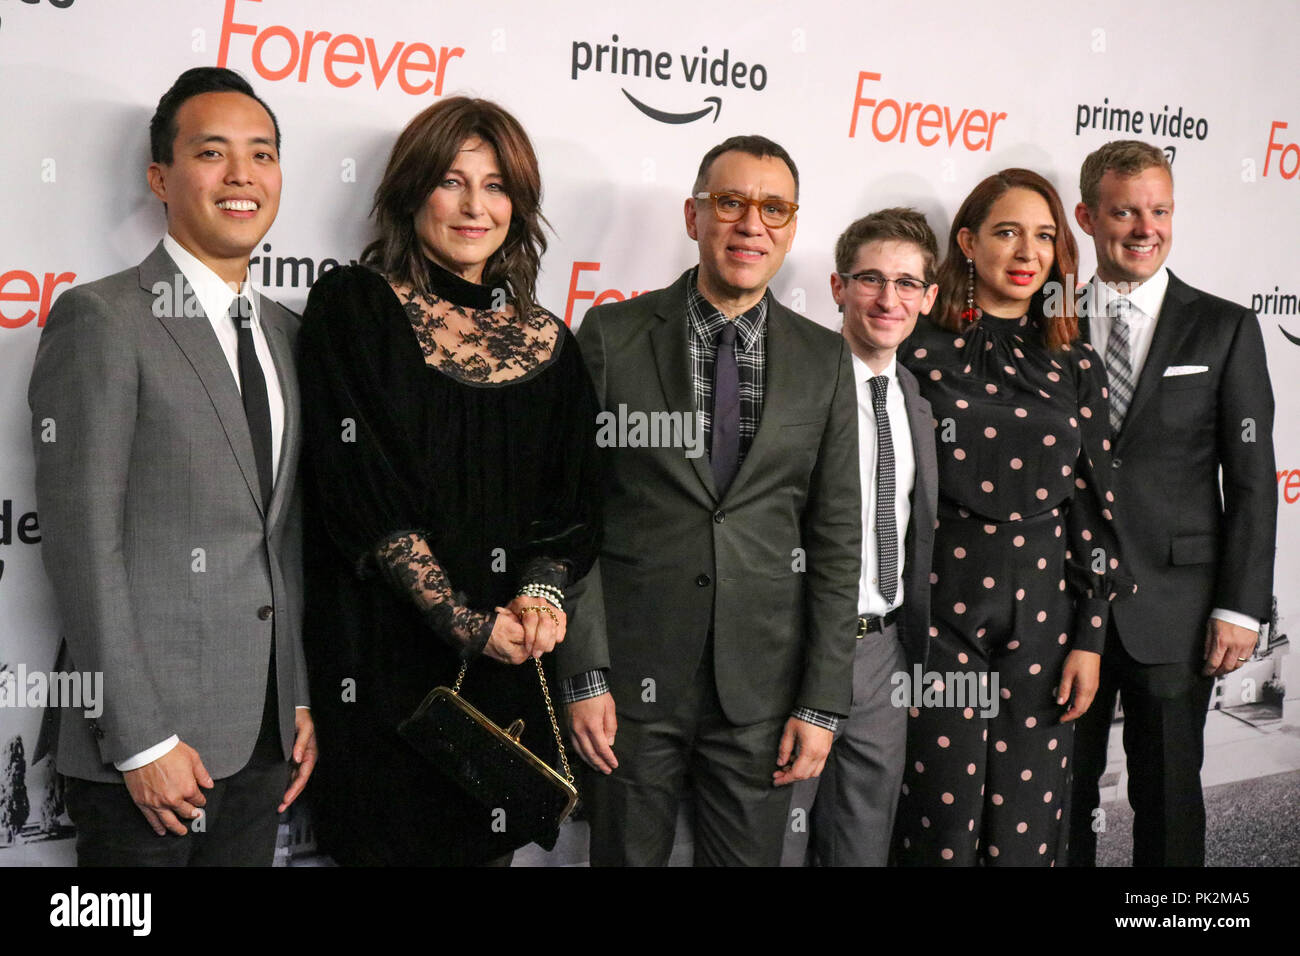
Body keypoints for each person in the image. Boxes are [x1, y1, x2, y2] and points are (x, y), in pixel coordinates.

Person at [297, 96, 600, 866]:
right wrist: (464, 622)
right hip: (386, 669)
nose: (475, 206)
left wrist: (539, 593)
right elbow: (360, 490)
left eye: (496, 186)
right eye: (452, 181)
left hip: (503, 674)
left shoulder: (550, 341)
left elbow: (572, 505)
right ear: (411, 191)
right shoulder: (353, 307)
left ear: (519, 205)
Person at [27, 67, 315, 866]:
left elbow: (278, 536)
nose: (241, 176)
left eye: (262, 155)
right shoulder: (104, 319)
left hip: (263, 742)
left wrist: (295, 697)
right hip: (146, 757)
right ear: (161, 176)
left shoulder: (290, 335)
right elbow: (83, 543)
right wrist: (139, 737)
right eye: (212, 153)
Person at [559, 135, 861, 867]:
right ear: (695, 217)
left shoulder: (825, 359)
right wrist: (586, 671)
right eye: (730, 202)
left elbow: (837, 538)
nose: (751, 223)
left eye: (773, 208)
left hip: (761, 691)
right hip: (628, 687)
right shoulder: (611, 335)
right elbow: (572, 515)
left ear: (792, 226)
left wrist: (821, 700)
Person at [894, 168, 1132, 866]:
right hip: (938, 617)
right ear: (967, 241)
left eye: (1044, 236)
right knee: (938, 825)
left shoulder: (1075, 362)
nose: (1028, 252)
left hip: (1047, 625)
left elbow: (1094, 505)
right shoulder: (913, 349)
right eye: (1007, 232)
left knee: (1026, 830)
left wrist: (1090, 635)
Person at [1068, 141, 1276, 867]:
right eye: (1124, 211)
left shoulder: (1224, 327)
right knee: (1062, 800)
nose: (1143, 228)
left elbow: (1253, 480)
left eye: (1159, 210)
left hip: (1179, 609)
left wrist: (1240, 606)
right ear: (1087, 216)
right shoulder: (1047, 322)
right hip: (1063, 609)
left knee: (1166, 802)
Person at [804, 208, 939, 866]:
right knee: (773, 844)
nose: (890, 299)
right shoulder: (796, 387)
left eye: (907, 283)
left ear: (929, 297)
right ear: (837, 287)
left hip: (885, 654)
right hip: (799, 651)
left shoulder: (913, 396)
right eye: (871, 280)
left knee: (861, 850)